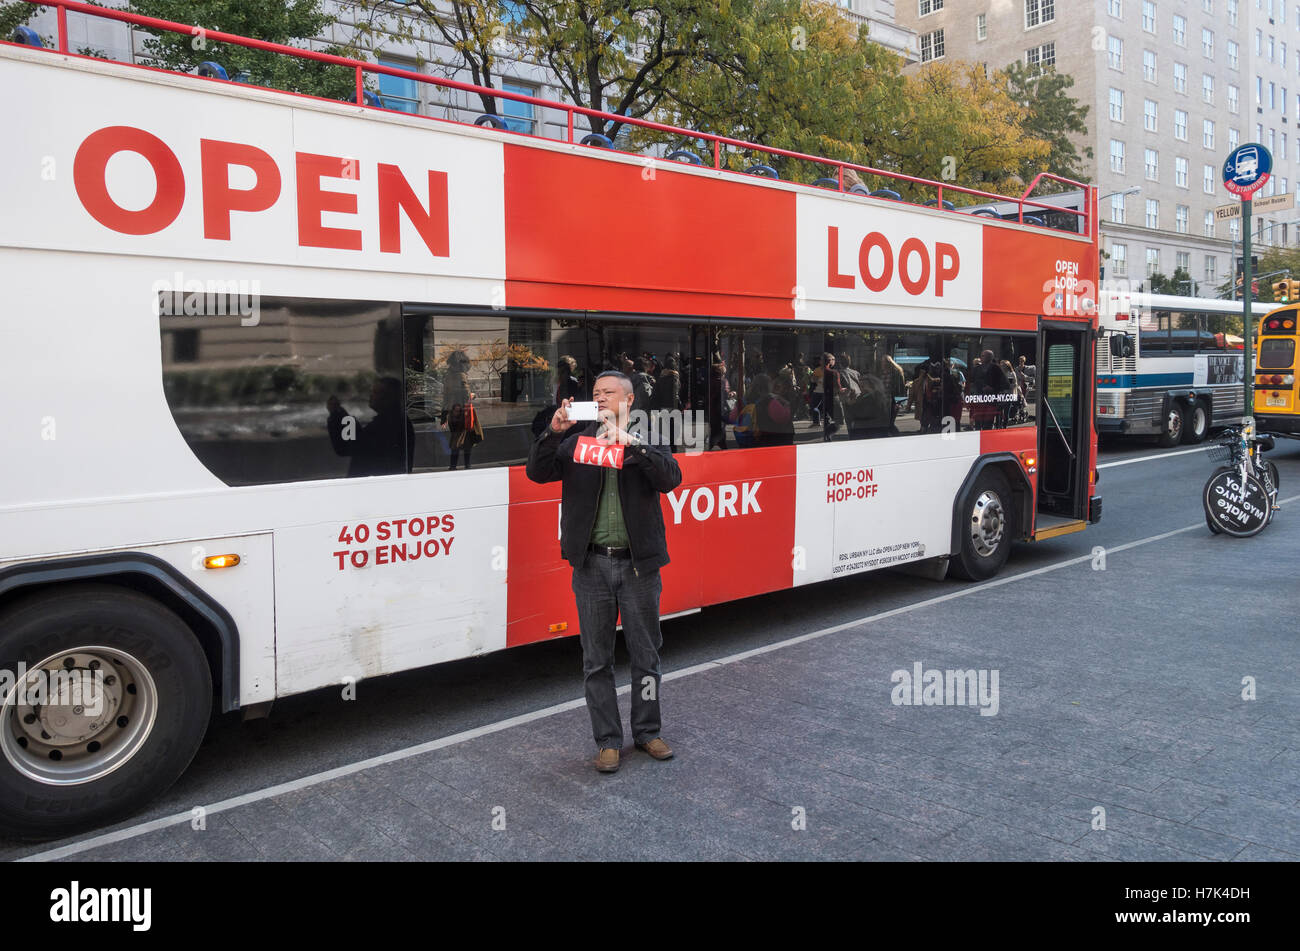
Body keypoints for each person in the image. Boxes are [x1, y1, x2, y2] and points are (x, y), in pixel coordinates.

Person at [526, 372, 683, 774]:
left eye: (607, 393)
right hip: (592, 565)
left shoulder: (646, 437)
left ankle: (648, 733)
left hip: (638, 566)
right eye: (594, 393)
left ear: (628, 400)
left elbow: (670, 478)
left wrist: (630, 443)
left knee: (646, 656)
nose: (598, 397)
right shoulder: (577, 440)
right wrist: (552, 431)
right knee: (597, 660)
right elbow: (538, 472)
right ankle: (608, 741)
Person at [326, 376, 414, 477]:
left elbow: (348, 448)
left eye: (376, 393)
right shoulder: (395, 420)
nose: (371, 396)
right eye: (372, 392)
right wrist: (341, 415)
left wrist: (336, 414)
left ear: (388, 398)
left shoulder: (386, 424)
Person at [440, 350, 483, 469]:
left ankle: (453, 466)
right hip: (464, 413)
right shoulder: (461, 375)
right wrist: (473, 395)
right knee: (466, 441)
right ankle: (467, 466)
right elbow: (466, 395)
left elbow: (445, 397)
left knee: (455, 439)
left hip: (452, 413)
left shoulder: (448, 376)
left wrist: (443, 417)